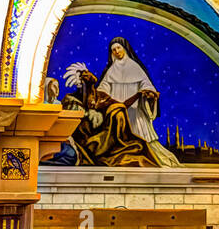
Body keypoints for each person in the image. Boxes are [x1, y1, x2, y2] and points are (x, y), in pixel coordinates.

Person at [49, 38, 180, 168]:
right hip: (116, 111)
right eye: (113, 50)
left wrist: (149, 95)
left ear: (125, 48)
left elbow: (147, 86)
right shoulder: (111, 70)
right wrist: (101, 98)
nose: (117, 51)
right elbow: (102, 90)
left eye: (118, 48)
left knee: (143, 141)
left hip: (134, 113)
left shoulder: (136, 67)